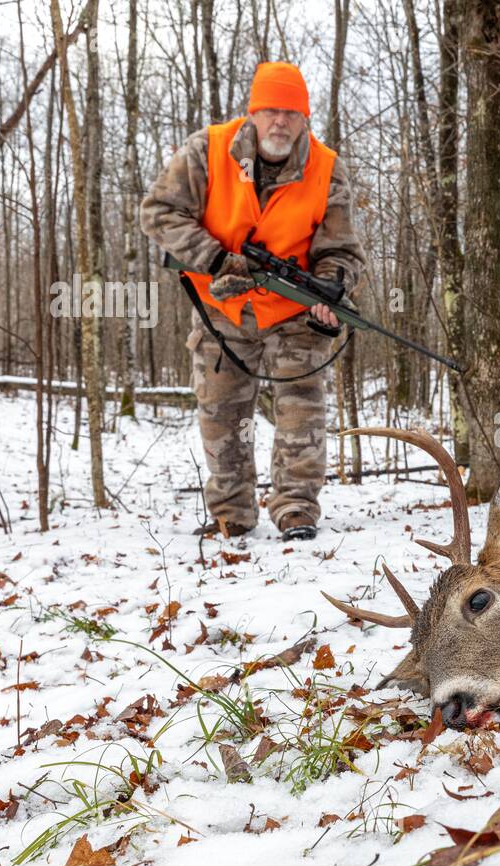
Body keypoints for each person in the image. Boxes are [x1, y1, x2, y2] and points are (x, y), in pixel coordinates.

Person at [140, 62, 365, 541]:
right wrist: (217, 259)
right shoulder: (208, 149)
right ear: (253, 113)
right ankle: (232, 513)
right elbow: (158, 211)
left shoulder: (326, 168)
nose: (279, 121)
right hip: (221, 309)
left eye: (291, 112)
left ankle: (297, 509)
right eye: (269, 111)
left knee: (301, 412)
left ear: (305, 119)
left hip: (293, 311)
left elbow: (341, 253)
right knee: (221, 413)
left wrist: (330, 293)